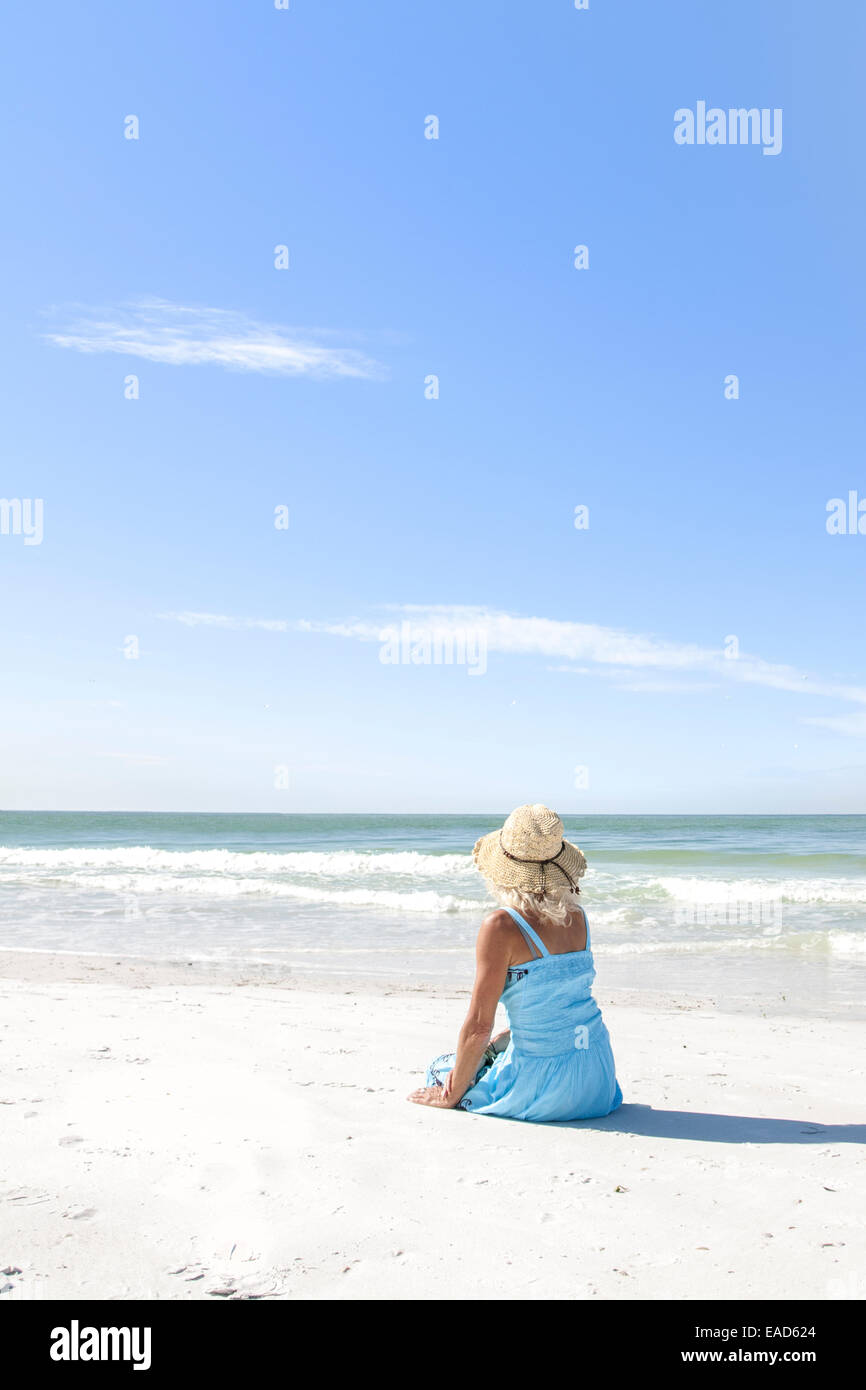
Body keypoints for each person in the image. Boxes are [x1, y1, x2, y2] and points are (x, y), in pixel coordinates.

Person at [408, 803, 623, 1121]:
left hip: (548, 1089)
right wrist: (498, 1044)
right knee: (492, 1050)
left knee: (441, 1068)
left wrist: (452, 1094)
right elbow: (557, 1004)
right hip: (597, 1078)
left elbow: (479, 1027)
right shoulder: (578, 918)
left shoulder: (501, 925)